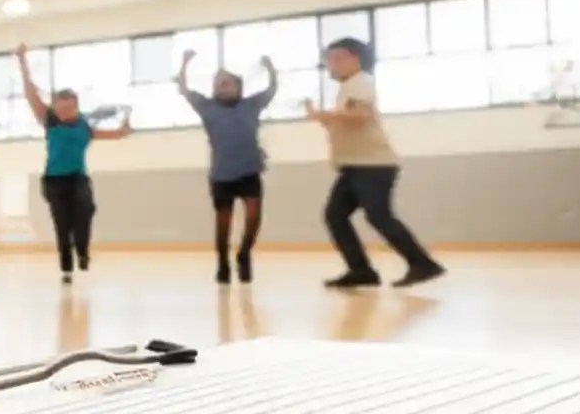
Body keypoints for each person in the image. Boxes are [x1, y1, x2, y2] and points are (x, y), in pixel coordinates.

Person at [306, 37, 445, 289]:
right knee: (335, 214)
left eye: (337, 59)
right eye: (329, 60)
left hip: (373, 165)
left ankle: (423, 264)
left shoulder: (362, 81)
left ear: (354, 59)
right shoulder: (349, 87)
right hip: (355, 165)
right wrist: (324, 118)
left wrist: (326, 114)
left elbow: (361, 114)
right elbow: (348, 121)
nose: (331, 65)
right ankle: (361, 271)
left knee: (378, 215)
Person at [15, 43, 132, 284]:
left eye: (69, 106)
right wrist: (23, 62)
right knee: (62, 223)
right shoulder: (49, 121)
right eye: (60, 106)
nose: (64, 110)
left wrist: (122, 131)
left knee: (86, 209)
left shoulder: (84, 125)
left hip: (78, 178)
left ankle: (83, 251)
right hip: (54, 181)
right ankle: (66, 267)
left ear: (76, 106)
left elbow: (108, 135)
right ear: (55, 106)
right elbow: (30, 94)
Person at [177, 50, 277, 284]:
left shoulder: (251, 104)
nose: (221, 86)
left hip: (249, 171)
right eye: (217, 84)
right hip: (222, 175)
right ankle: (222, 262)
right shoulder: (207, 106)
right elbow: (184, 89)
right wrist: (185, 63)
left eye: (226, 82)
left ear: (238, 87)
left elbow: (272, 90)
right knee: (223, 223)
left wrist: (270, 68)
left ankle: (244, 254)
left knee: (253, 218)